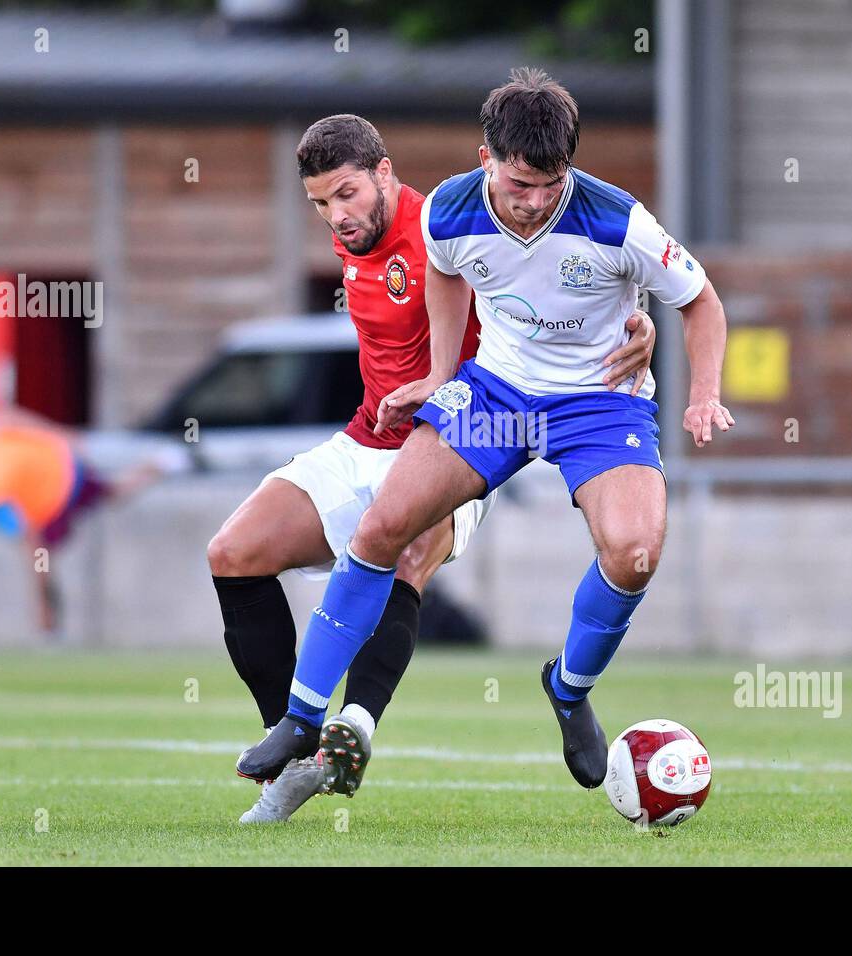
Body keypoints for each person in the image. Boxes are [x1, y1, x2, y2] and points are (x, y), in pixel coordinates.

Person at [239, 68, 734, 791]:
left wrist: (705, 393)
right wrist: (444, 373)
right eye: (518, 184)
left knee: (634, 553)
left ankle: (568, 689)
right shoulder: (449, 209)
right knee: (381, 530)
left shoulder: (618, 219)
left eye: (550, 184)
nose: (534, 203)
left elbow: (701, 301)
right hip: (496, 394)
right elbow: (443, 269)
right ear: (485, 160)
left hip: (598, 400)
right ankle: (302, 714)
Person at [0, 405, 162, 634]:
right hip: (65, 452)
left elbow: (34, 543)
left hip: (62, 487)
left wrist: (41, 597)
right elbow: (6, 417)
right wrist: (58, 434)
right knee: (114, 482)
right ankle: (162, 461)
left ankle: (49, 619)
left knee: (112, 491)